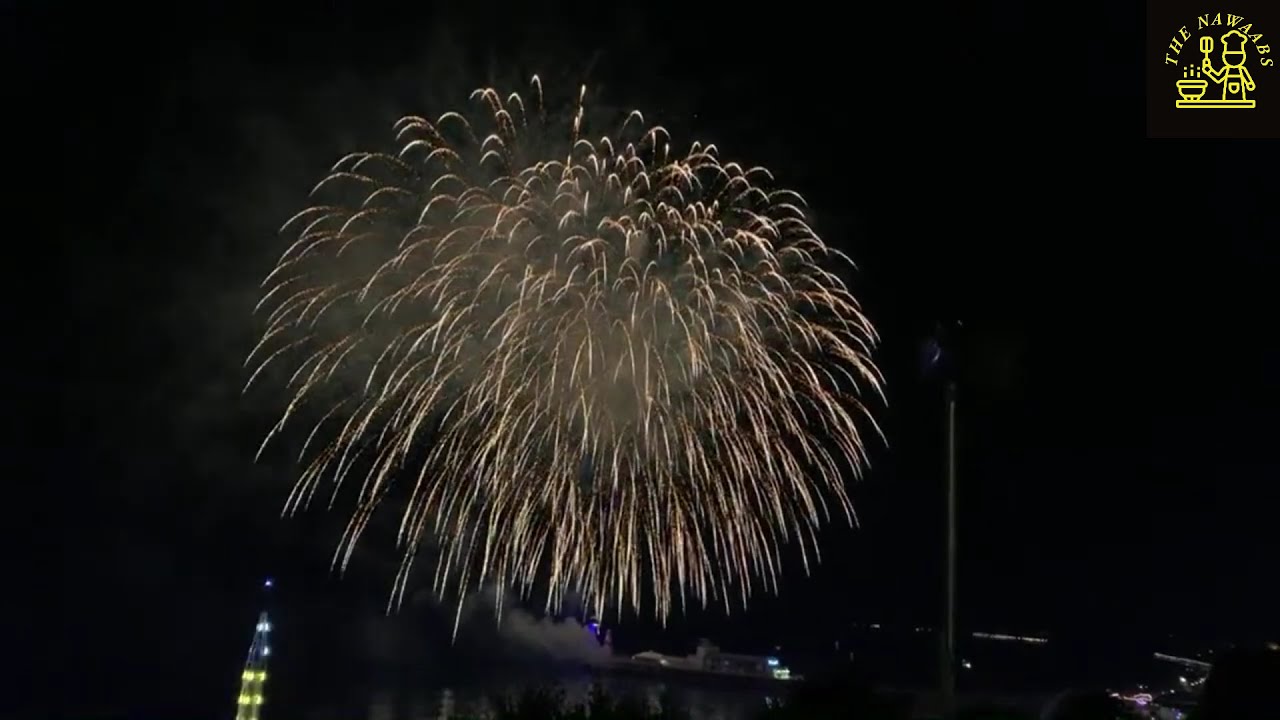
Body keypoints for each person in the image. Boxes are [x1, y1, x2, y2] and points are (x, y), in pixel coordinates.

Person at [1204, 29, 1256, 101]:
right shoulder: (1226, 69)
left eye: (1237, 56)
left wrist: (1249, 84)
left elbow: (1248, 82)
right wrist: (1209, 70)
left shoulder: (1242, 70)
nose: (1233, 58)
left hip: (1240, 97)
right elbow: (1218, 79)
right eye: (1230, 55)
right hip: (1228, 97)